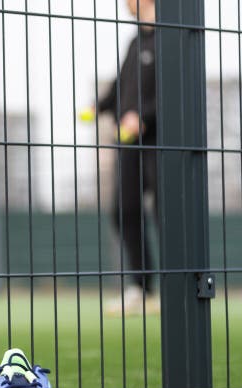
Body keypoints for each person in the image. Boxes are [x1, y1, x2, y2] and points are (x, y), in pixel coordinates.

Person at [89, 0, 159, 316]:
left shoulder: (169, 39)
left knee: (166, 215)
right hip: (130, 146)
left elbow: (175, 91)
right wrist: (100, 106)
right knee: (124, 210)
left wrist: (143, 116)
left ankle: (176, 285)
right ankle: (142, 288)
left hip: (162, 144)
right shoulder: (134, 42)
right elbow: (121, 86)